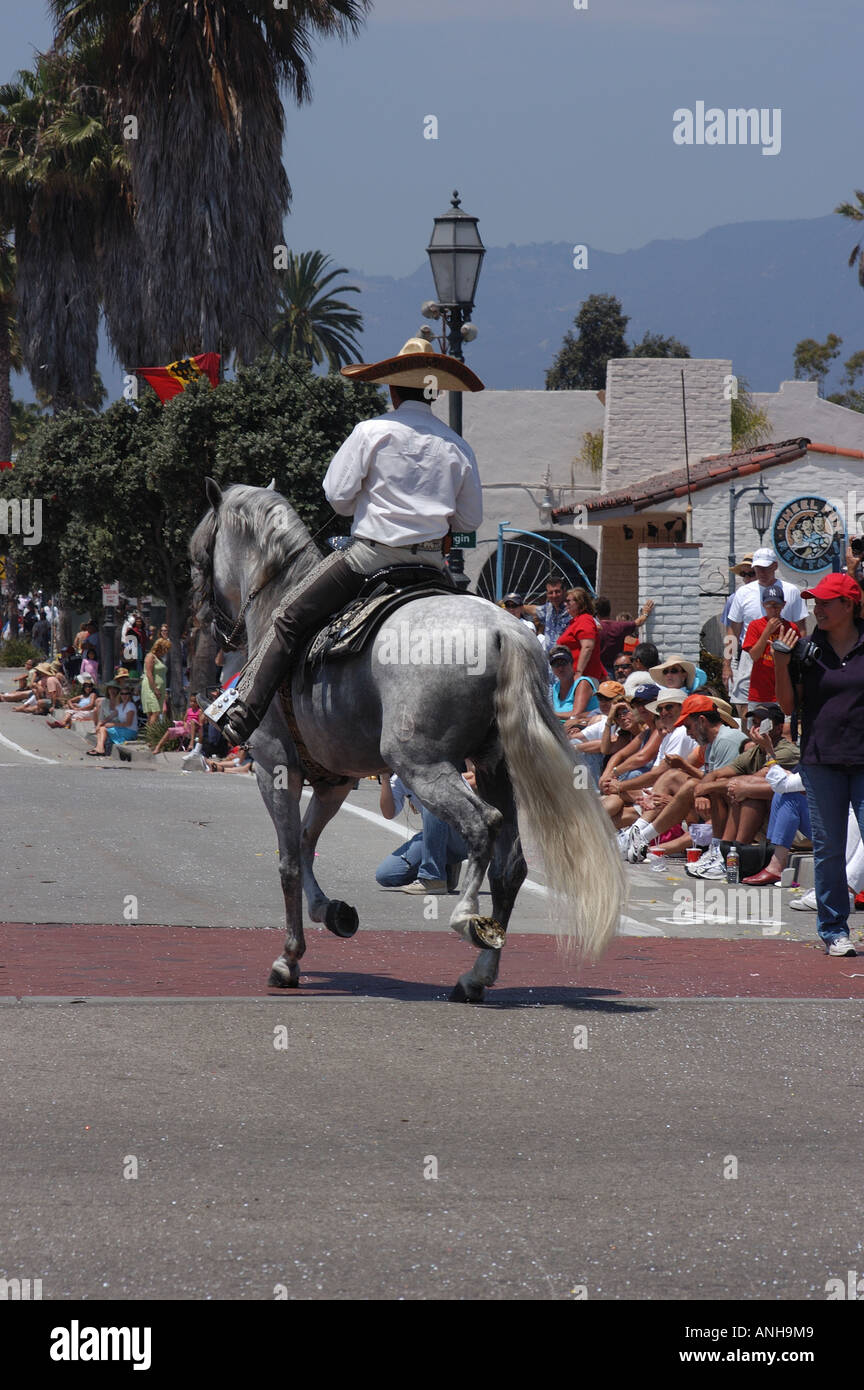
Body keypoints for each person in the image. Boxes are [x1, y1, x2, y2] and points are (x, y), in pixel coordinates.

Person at [208, 334, 484, 746]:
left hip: (370, 560)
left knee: (286, 617)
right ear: (435, 393)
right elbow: (469, 519)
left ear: (391, 388)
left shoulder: (371, 432)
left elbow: (337, 498)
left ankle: (244, 713)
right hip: (432, 568)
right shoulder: (456, 445)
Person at [773, 571, 864, 956]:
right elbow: (788, 707)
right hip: (821, 758)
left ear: (850, 605)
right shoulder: (806, 650)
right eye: (814, 601)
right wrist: (781, 659)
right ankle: (833, 930)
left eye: (826, 602)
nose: (817, 608)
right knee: (829, 848)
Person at [723, 546, 807, 715]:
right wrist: (726, 664)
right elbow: (733, 631)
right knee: (746, 709)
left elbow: (802, 630)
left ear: (775, 566)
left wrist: (799, 662)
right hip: (751, 654)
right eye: (757, 568)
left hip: (783, 655)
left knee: (784, 709)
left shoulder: (791, 591)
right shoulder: (743, 592)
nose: (761, 572)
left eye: (765, 567)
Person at [376, 769, 467, 894]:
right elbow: (388, 813)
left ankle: (433, 878)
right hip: (436, 836)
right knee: (386, 875)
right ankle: (446, 866)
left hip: (465, 834)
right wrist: (385, 777)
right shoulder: (400, 777)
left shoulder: (442, 765)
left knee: (430, 795)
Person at [742, 582, 803, 711]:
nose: (773, 609)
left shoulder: (791, 628)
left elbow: (797, 659)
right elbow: (754, 655)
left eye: (777, 605)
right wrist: (767, 632)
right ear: (763, 605)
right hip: (760, 692)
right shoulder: (755, 625)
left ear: (783, 605)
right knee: (757, 729)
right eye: (769, 605)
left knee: (783, 729)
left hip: (784, 690)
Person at [558, 588, 608, 682]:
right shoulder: (576, 622)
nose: (565, 604)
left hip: (583, 678)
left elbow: (588, 647)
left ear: (579, 602)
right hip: (575, 676)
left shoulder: (584, 620)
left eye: (568, 601)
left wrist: (579, 672)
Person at [596, 596, 654, 670]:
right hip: (615, 668)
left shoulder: (594, 627)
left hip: (597, 668)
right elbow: (639, 622)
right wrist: (645, 613)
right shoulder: (618, 626)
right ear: (609, 610)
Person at [548, 645, 599, 720]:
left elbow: (576, 714)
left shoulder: (583, 683)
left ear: (571, 663)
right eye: (556, 664)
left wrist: (550, 714)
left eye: (563, 663)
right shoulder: (555, 687)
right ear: (552, 668)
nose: (560, 668)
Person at [87, 681, 138, 755]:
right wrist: (100, 723)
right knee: (101, 728)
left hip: (130, 731)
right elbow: (109, 717)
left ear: (130, 695)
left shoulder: (130, 705)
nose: (124, 696)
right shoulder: (120, 706)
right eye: (122, 694)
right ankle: (99, 748)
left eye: (126, 694)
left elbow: (128, 723)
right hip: (122, 729)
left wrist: (112, 724)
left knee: (103, 729)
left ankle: (100, 748)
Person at [532, 576, 571, 652]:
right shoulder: (548, 609)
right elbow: (532, 609)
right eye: (550, 593)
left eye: (557, 592)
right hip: (550, 660)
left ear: (564, 591)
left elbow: (596, 626)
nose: (554, 595)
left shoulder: (572, 609)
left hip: (567, 660)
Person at [141, 637, 170, 725]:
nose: (166, 651)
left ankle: (151, 735)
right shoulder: (150, 656)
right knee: (155, 711)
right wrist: (155, 689)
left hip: (160, 689)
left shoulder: (160, 659)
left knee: (154, 713)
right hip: (151, 688)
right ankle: (150, 735)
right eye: (165, 649)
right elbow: (149, 673)